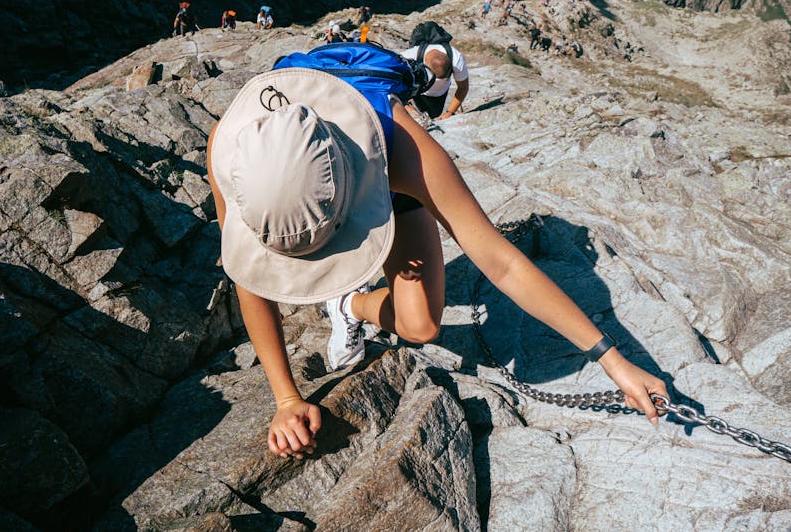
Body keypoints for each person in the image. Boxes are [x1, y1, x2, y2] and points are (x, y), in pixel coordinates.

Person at [206, 65, 670, 459]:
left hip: (381, 172)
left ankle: (348, 306)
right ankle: (348, 304)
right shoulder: (230, 156)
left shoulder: (404, 149)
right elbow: (248, 281)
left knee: (422, 325)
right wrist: (286, 398)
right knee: (417, 319)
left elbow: (500, 261)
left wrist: (614, 361)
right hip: (341, 178)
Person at [400, 39, 469, 120]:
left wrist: (450, 112)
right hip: (416, 90)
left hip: (439, 95)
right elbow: (390, 82)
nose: (434, 83)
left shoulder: (456, 59)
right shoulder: (409, 56)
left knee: (434, 116)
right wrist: (406, 105)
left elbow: (463, 87)